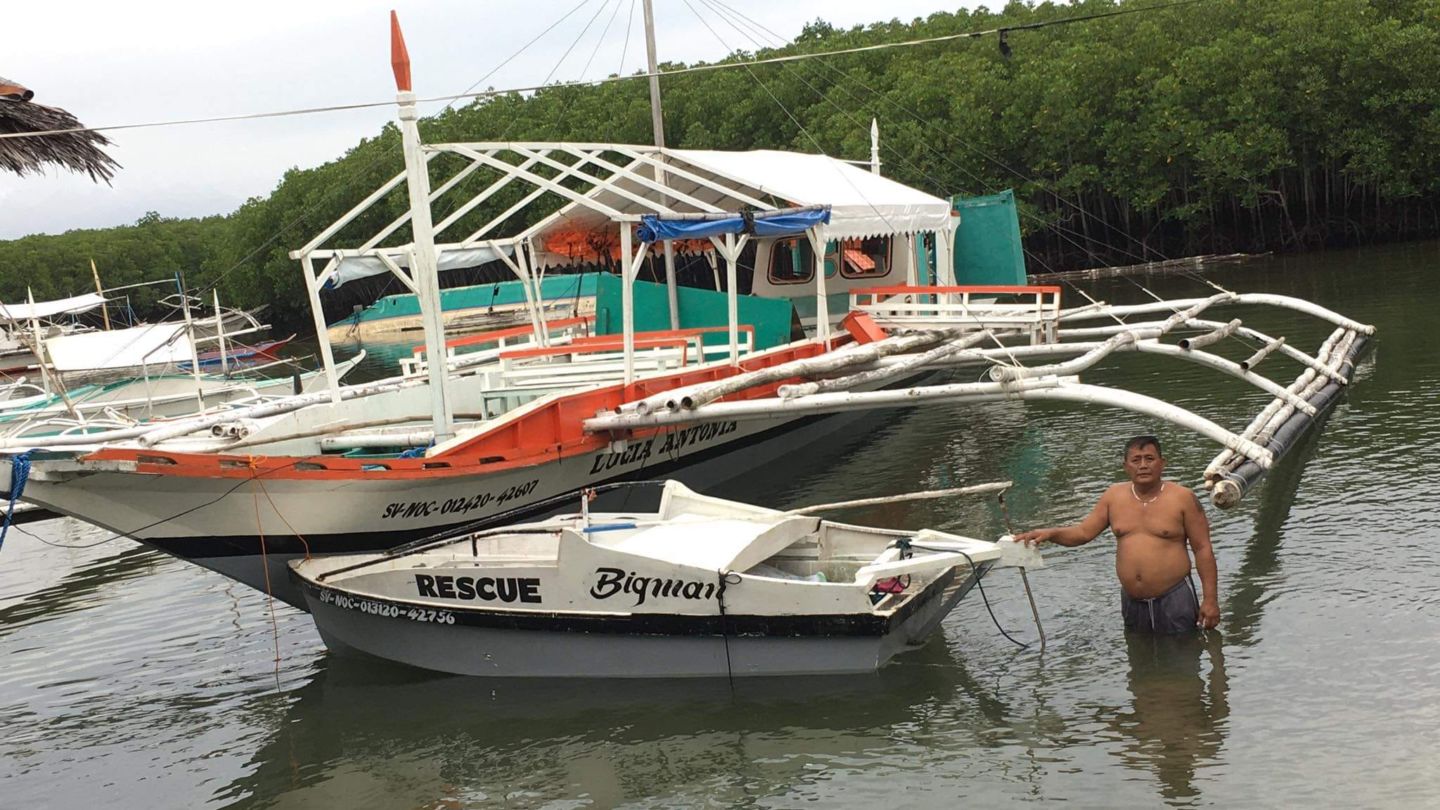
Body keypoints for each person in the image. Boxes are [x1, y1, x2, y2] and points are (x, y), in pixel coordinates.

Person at [1015, 435, 1220, 633]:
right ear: (1125, 466)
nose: (1143, 465)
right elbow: (1083, 533)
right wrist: (1050, 533)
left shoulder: (1183, 498)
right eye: (1136, 460)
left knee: (1183, 652)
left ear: (1162, 463)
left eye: (1149, 458)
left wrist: (1210, 600)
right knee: (1138, 652)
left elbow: (1203, 549)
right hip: (1132, 601)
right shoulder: (1113, 496)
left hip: (1174, 597)